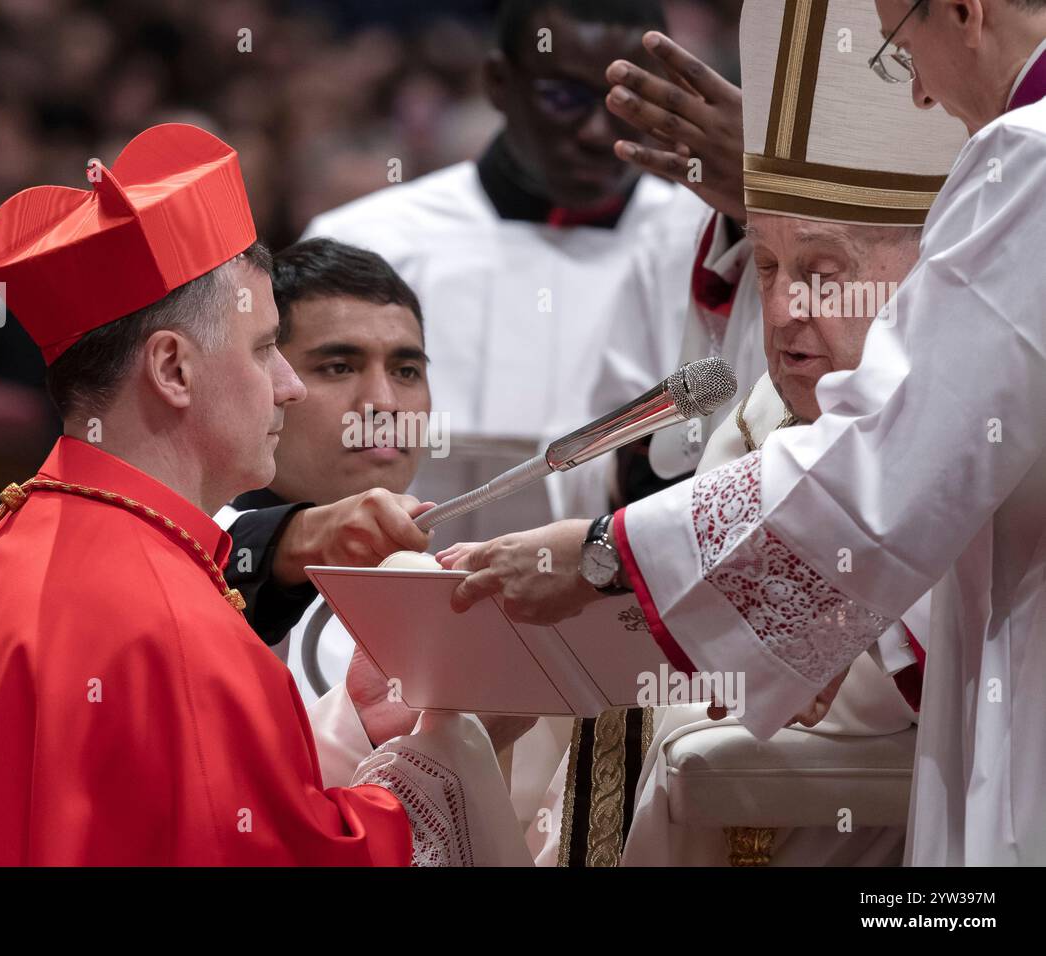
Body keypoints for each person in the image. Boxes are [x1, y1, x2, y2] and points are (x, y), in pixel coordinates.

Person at [441, 0, 1046, 865]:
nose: (913, 90)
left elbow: (886, 468)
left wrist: (601, 556)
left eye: (897, 43)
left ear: (964, 10)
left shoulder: (1027, 157)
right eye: (768, 267)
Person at [0, 124, 529, 866]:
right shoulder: (172, 620)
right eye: (264, 347)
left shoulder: (10, 542)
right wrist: (448, 750)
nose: (289, 385)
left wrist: (359, 730)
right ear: (173, 369)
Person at [303, 0, 709, 547]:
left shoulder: (704, 243)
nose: (596, 131)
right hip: (393, 580)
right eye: (563, 97)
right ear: (499, 82)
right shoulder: (371, 239)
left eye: (630, 103)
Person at [216, 237, 554, 853]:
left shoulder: (459, 580)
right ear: (273, 379)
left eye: (406, 371)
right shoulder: (198, 556)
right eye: (339, 367)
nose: (383, 405)